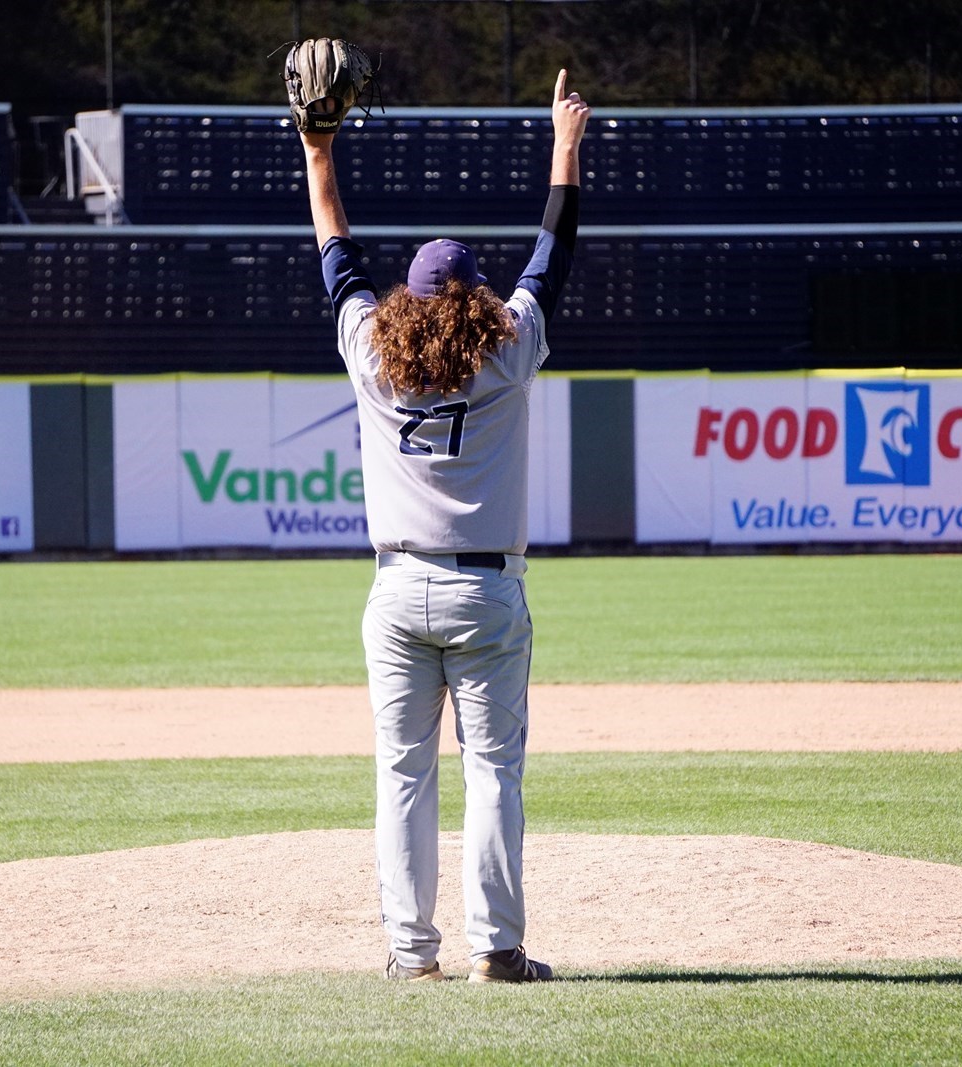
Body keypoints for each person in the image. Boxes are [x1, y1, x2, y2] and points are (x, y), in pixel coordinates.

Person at [298, 70, 590, 983]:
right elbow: (553, 253)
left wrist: (317, 147)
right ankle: (497, 951)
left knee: (403, 774)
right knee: (494, 771)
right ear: (475, 296)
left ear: (410, 300)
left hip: (395, 588)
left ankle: (409, 952)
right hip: (485, 589)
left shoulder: (369, 355)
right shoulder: (511, 352)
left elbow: (336, 250)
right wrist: (566, 144)